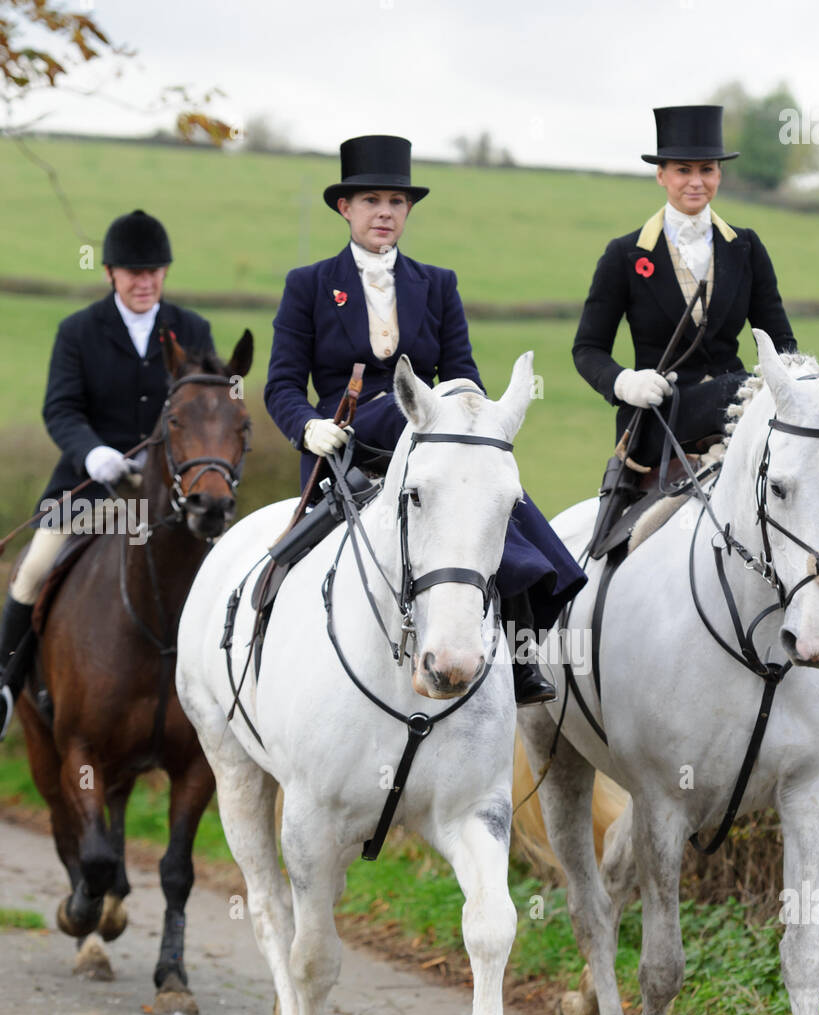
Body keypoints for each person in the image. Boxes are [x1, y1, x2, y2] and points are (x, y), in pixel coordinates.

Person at [572, 105, 819, 669]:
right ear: (662, 176)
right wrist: (624, 383)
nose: (695, 181)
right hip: (660, 417)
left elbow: (783, 342)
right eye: (682, 170)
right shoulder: (625, 255)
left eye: (705, 169)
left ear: (719, 175)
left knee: (817, 461)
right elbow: (587, 350)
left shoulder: (745, 248)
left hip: (741, 404)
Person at [264, 135, 585, 703]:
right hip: (347, 450)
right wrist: (306, 427)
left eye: (396, 202)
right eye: (371, 202)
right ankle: (268, 650)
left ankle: (523, 646)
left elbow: (463, 377)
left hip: (431, 442)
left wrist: (470, 426)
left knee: (493, 499)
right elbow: (282, 384)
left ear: (408, 210)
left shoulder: (438, 284)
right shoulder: (308, 284)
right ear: (345, 208)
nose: (384, 213)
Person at [0, 210, 215, 738]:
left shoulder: (192, 329)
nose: (144, 283)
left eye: (153, 272)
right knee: (33, 568)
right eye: (131, 273)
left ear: (164, 273)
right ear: (110, 274)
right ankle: (5, 683)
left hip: (172, 493)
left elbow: (209, 408)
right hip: (88, 485)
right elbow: (60, 409)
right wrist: (94, 454)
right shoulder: (78, 331)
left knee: (227, 572)